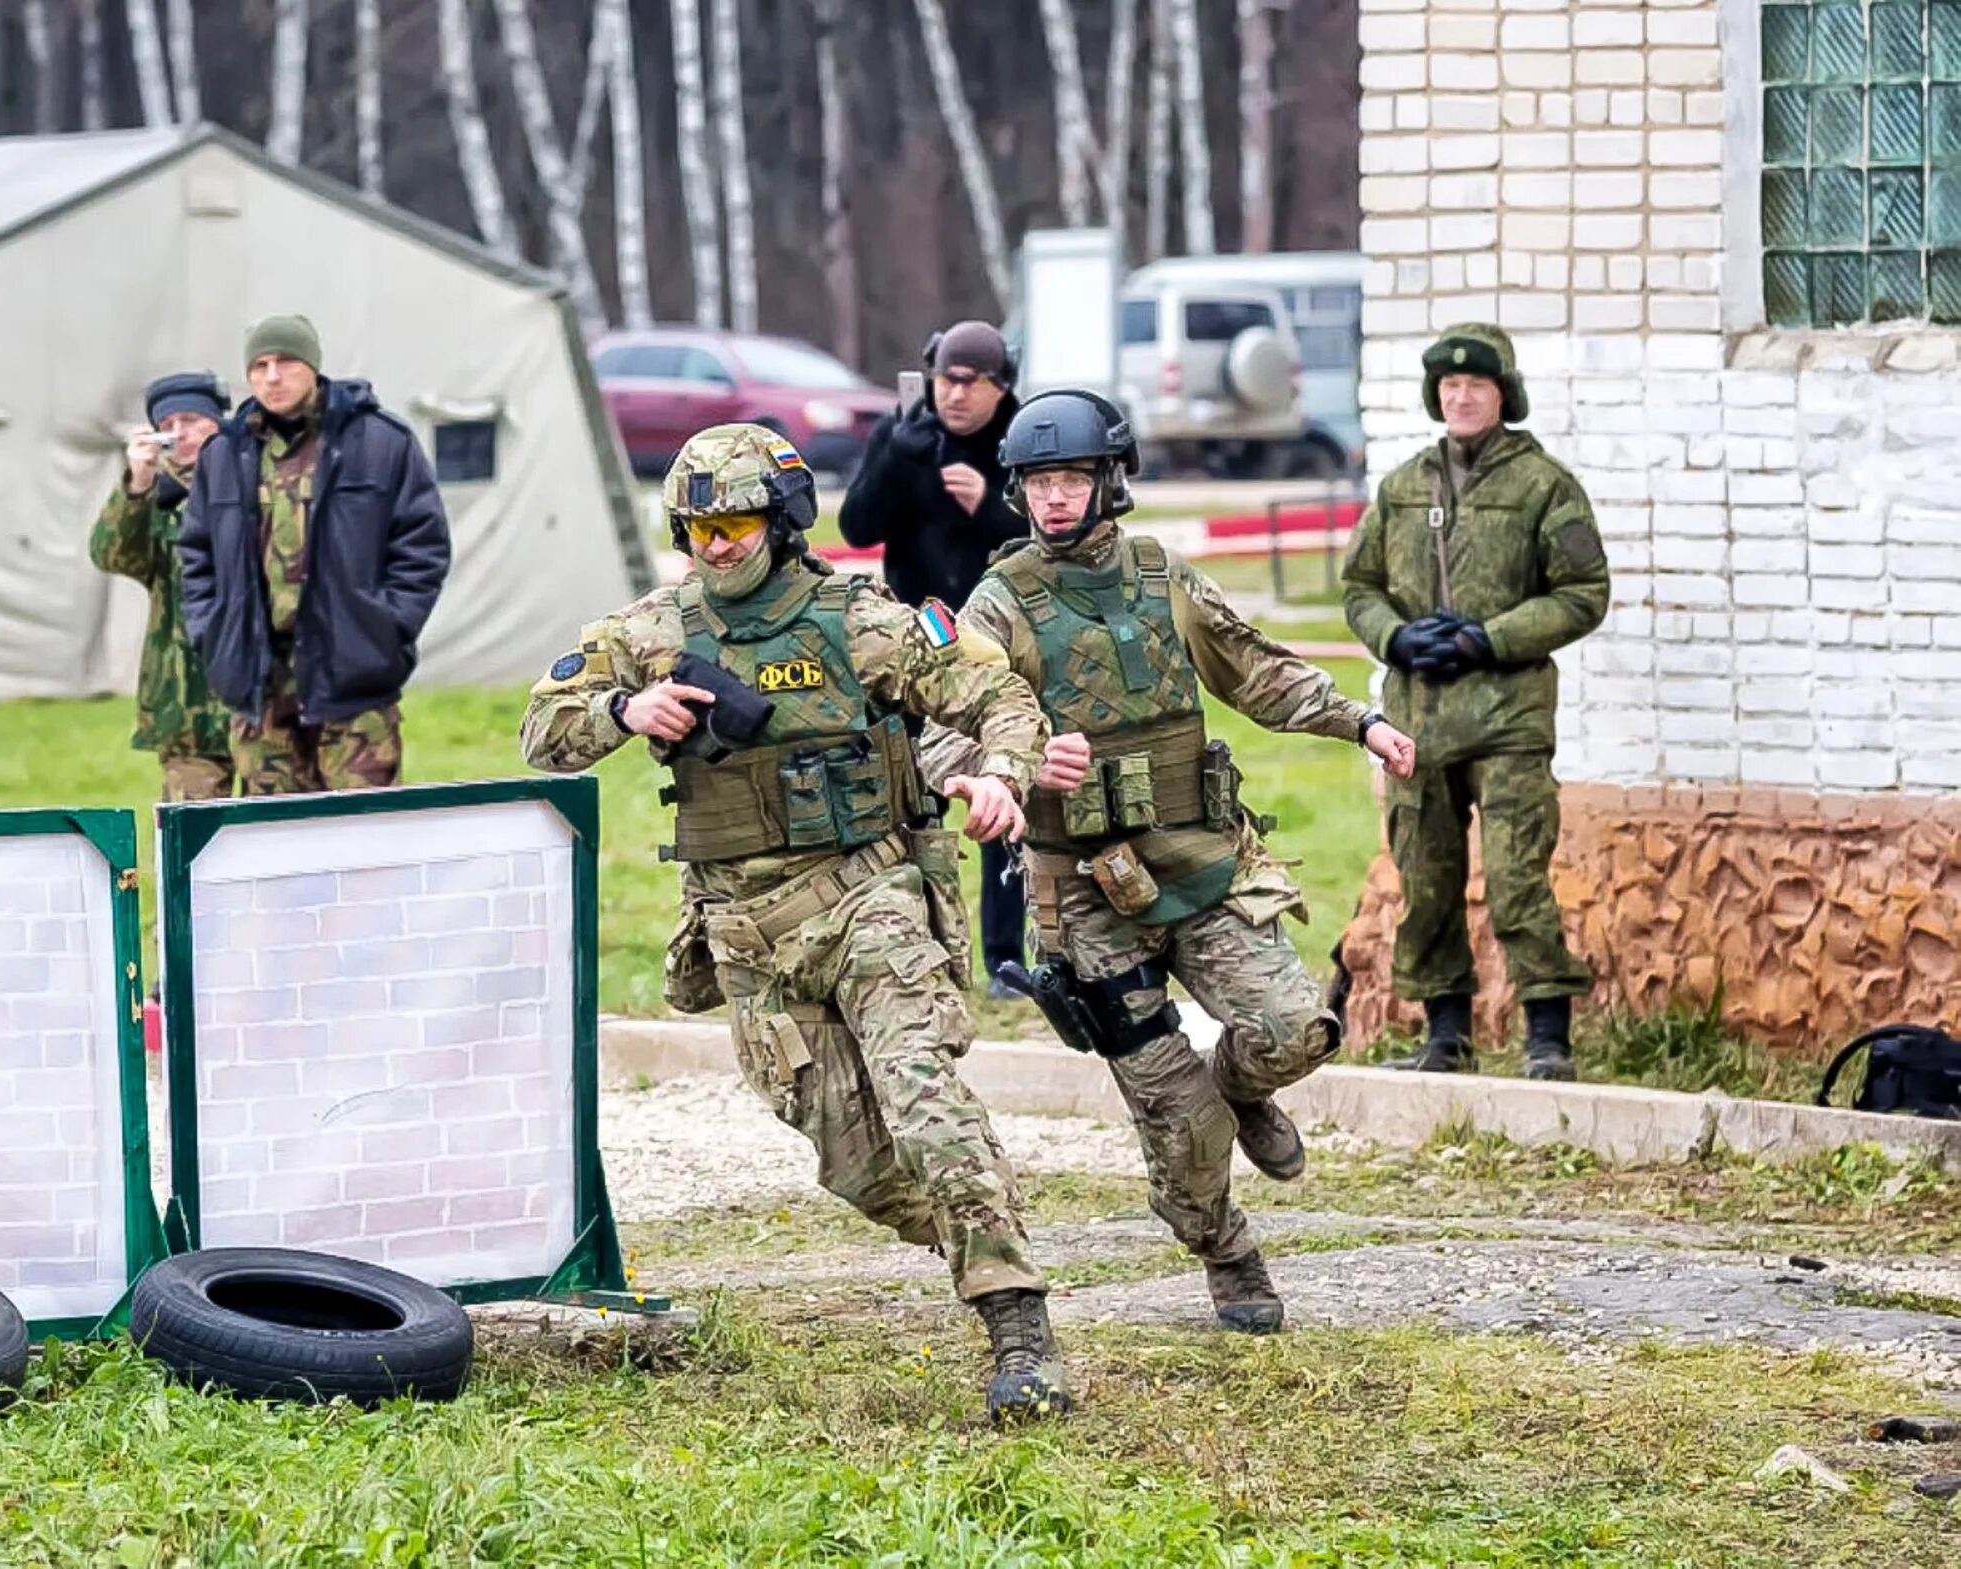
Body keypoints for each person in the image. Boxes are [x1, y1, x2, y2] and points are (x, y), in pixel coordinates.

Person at [521, 423, 1072, 1421]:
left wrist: (1000, 775)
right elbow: (541, 728)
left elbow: (998, 696)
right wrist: (622, 714)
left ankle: (1017, 1326)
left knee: (923, 1102)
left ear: (779, 523)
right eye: (698, 530)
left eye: (734, 525)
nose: (716, 546)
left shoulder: (857, 621)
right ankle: (985, 1227)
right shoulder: (650, 633)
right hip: (748, 935)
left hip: (867, 898)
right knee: (856, 1166)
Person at [924, 389, 1418, 1334]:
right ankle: (1227, 1250)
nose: (1055, 497)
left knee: (1296, 1032)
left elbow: (1255, 667)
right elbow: (947, 722)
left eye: (1072, 478)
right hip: (1086, 893)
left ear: (1108, 480)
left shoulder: (1161, 575)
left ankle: (1239, 1087)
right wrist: (1002, 768)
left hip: (1201, 861)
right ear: (1019, 490)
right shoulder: (1002, 601)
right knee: (1176, 1116)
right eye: (1038, 481)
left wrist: (1360, 721)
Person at [1341, 323, 1610, 1081]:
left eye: (1477, 386)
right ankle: (1445, 1037)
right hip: (1418, 722)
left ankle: (1548, 1041)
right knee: (1425, 881)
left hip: (1508, 719)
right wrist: (1394, 638)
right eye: (1449, 386)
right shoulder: (1404, 487)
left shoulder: (1543, 485)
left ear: (1503, 395)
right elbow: (1359, 585)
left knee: (1518, 880)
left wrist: (1488, 639)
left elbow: (1583, 593)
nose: (1460, 397)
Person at [838, 321, 1035, 997]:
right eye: (945, 380)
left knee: (1000, 800)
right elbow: (855, 527)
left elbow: (1047, 538)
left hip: (995, 649)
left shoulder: (1021, 439)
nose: (953, 394)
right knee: (910, 801)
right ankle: (915, 948)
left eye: (970, 383)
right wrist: (895, 459)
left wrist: (990, 509)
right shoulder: (905, 433)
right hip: (912, 648)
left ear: (1000, 386)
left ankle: (1005, 960)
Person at [180, 314, 452, 795]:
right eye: (260, 365)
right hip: (258, 685)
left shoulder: (378, 442)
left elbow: (421, 545)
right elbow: (197, 556)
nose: (272, 377)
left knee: (362, 830)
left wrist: (383, 629)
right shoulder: (224, 453)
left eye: (286, 361)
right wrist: (213, 631)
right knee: (272, 833)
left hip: (353, 680)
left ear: (313, 365)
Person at [89, 371, 236, 802]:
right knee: (193, 831)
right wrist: (138, 485)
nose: (178, 433)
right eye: (167, 425)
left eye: (190, 420)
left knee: (273, 830)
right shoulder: (159, 500)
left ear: (217, 424)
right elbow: (111, 554)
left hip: (261, 705)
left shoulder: (256, 484)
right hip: (187, 708)